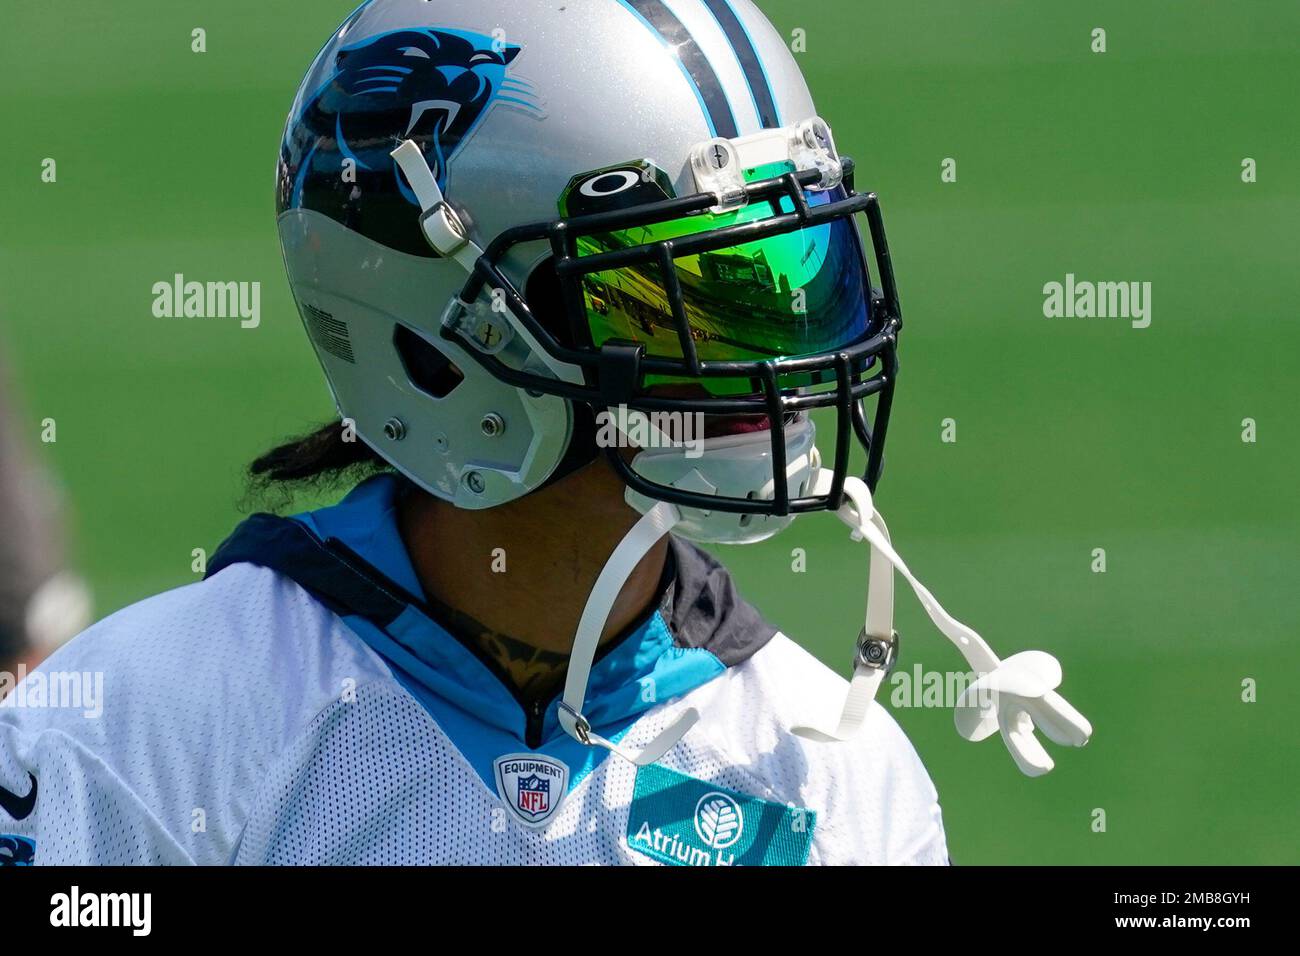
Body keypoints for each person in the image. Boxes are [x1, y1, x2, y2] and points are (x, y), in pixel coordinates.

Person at [0, 0, 1089, 866]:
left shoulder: (828, 774)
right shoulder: (142, 728)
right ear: (437, 339)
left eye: (788, 283)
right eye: (682, 301)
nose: (774, 367)